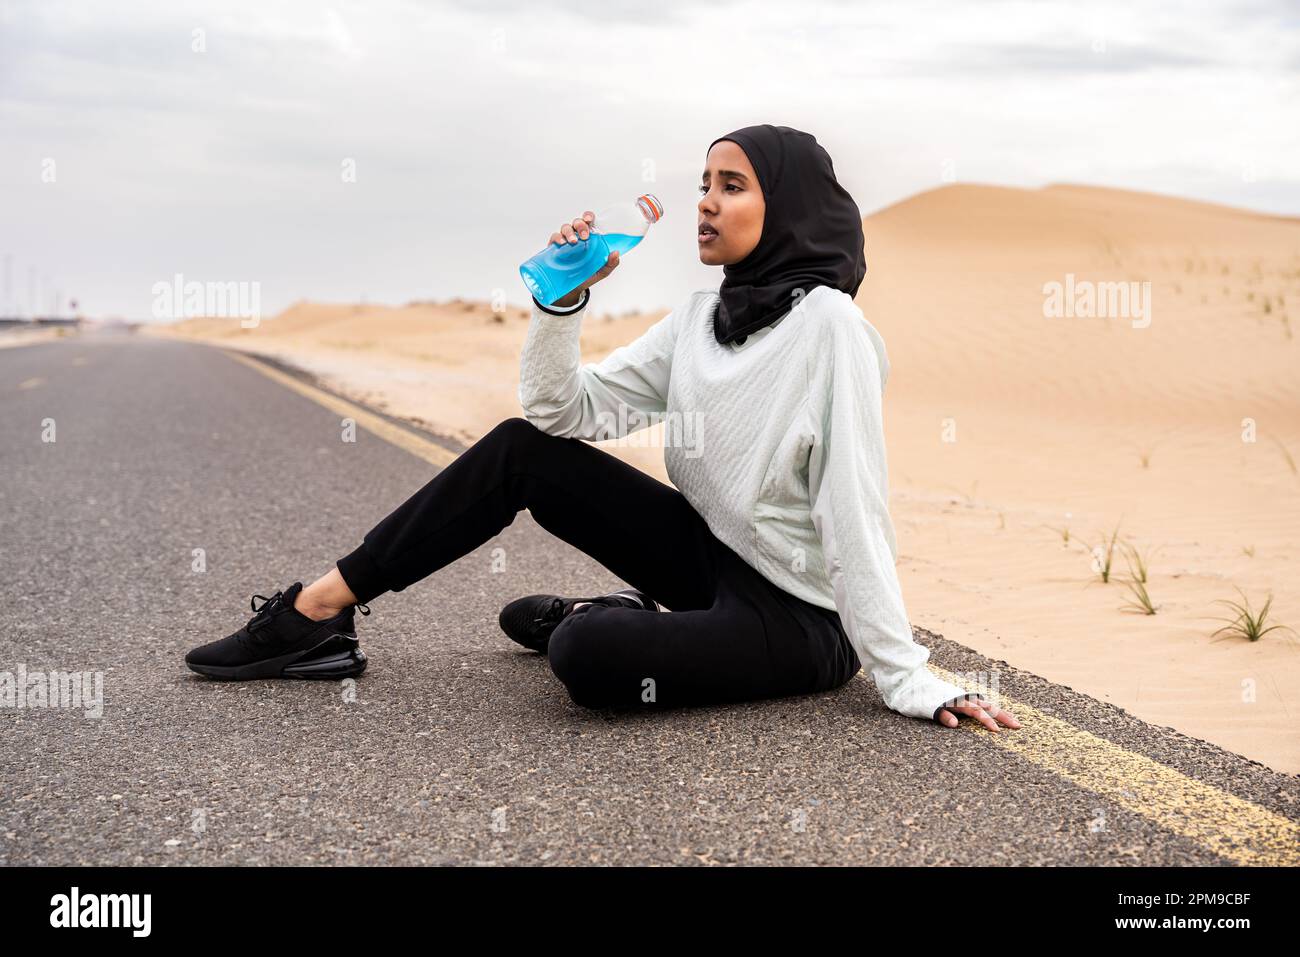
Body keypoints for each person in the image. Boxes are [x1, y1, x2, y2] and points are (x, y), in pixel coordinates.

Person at [185, 123, 1020, 732]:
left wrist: (906, 675)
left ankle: (609, 617)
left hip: (799, 620)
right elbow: (561, 413)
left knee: (589, 657)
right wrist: (562, 301)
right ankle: (317, 611)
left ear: (789, 206)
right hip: (708, 556)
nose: (705, 204)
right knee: (520, 451)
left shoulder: (830, 328)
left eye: (732, 186)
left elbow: (855, 507)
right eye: (703, 183)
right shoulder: (701, 318)